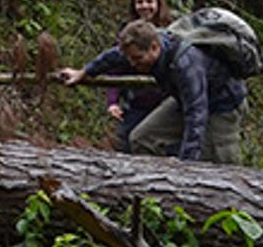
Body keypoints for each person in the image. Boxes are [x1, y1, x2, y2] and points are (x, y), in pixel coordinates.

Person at [59, 18, 245, 163]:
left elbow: (196, 115)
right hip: (185, 98)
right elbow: (113, 57)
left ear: (154, 47)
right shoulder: (144, 47)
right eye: (130, 58)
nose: (132, 64)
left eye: (137, 59)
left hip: (222, 104)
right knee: (142, 139)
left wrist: (188, 167)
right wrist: (83, 72)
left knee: (217, 161)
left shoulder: (185, 64)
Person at [103, 0, 170, 152]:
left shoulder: (171, 33)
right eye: (139, 2)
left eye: (149, 1)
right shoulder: (127, 34)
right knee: (126, 145)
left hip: (166, 104)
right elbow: (115, 68)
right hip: (135, 104)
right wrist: (112, 101)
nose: (144, 6)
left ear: (158, 3)